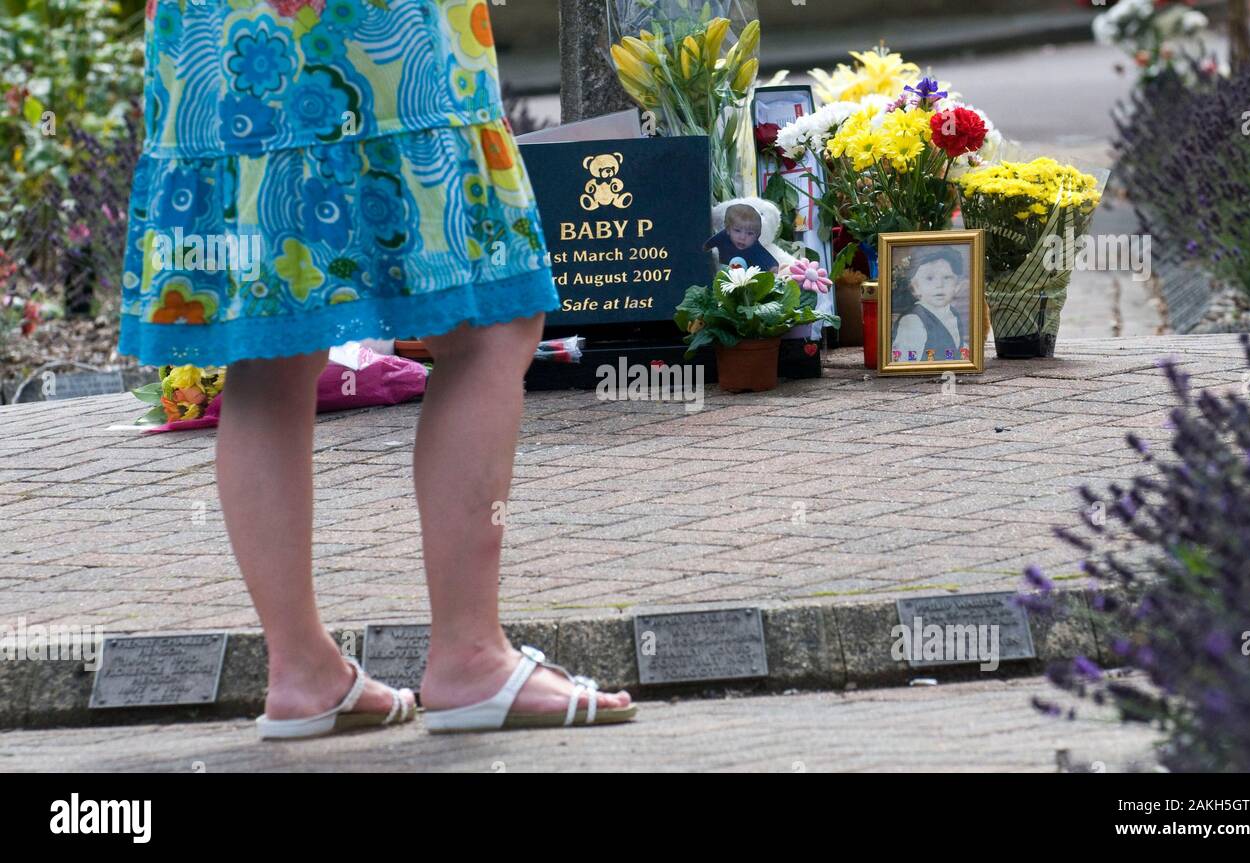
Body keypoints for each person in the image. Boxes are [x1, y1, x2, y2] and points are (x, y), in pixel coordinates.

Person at [118, 0, 634, 736]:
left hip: (219, 41)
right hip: (378, 31)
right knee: (487, 322)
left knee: (267, 346)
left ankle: (302, 672)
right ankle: (470, 658)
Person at [891, 246, 970, 363]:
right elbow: (903, 361)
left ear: (957, 286)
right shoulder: (913, 321)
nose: (939, 285)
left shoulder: (953, 314)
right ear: (915, 287)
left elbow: (957, 346)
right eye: (929, 278)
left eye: (947, 277)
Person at [704, 203, 778, 271]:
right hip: (724, 270)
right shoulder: (723, 236)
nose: (742, 237)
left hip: (747, 275)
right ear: (728, 230)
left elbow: (765, 256)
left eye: (750, 233)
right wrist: (706, 248)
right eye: (737, 230)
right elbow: (712, 242)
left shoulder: (755, 246)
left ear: (757, 236)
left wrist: (773, 266)